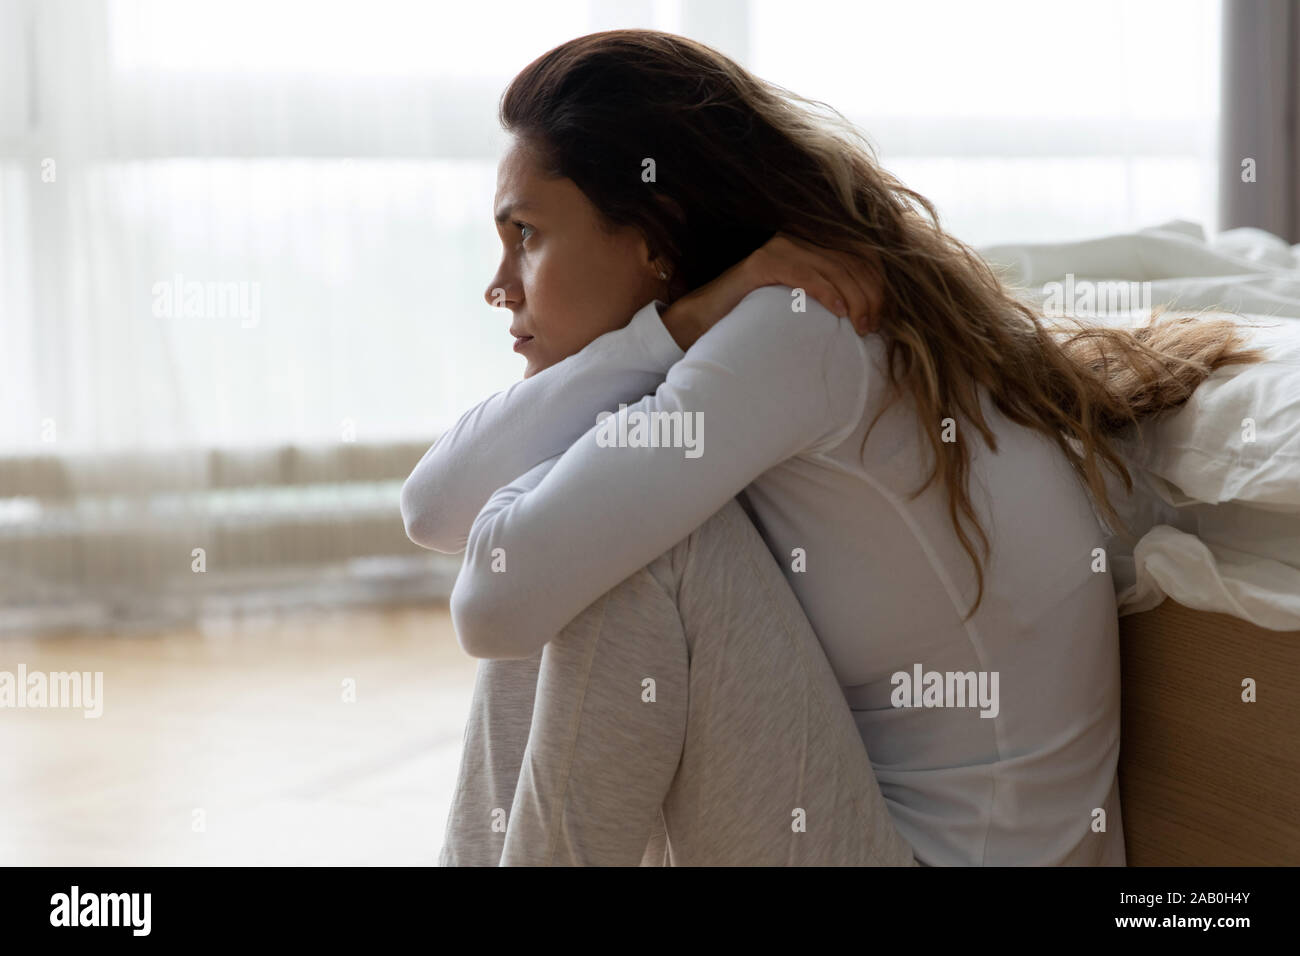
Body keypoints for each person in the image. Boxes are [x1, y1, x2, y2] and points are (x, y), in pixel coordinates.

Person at [401, 29, 1266, 866]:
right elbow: (433, 509)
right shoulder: (745, 335)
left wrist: (670, 334)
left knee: (625, 556)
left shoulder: (795, 335)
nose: (498, 283)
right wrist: (671, 326)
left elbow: (492, 605)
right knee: (579, 526)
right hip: (864, 827)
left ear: (655, 235)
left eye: (527, 235)